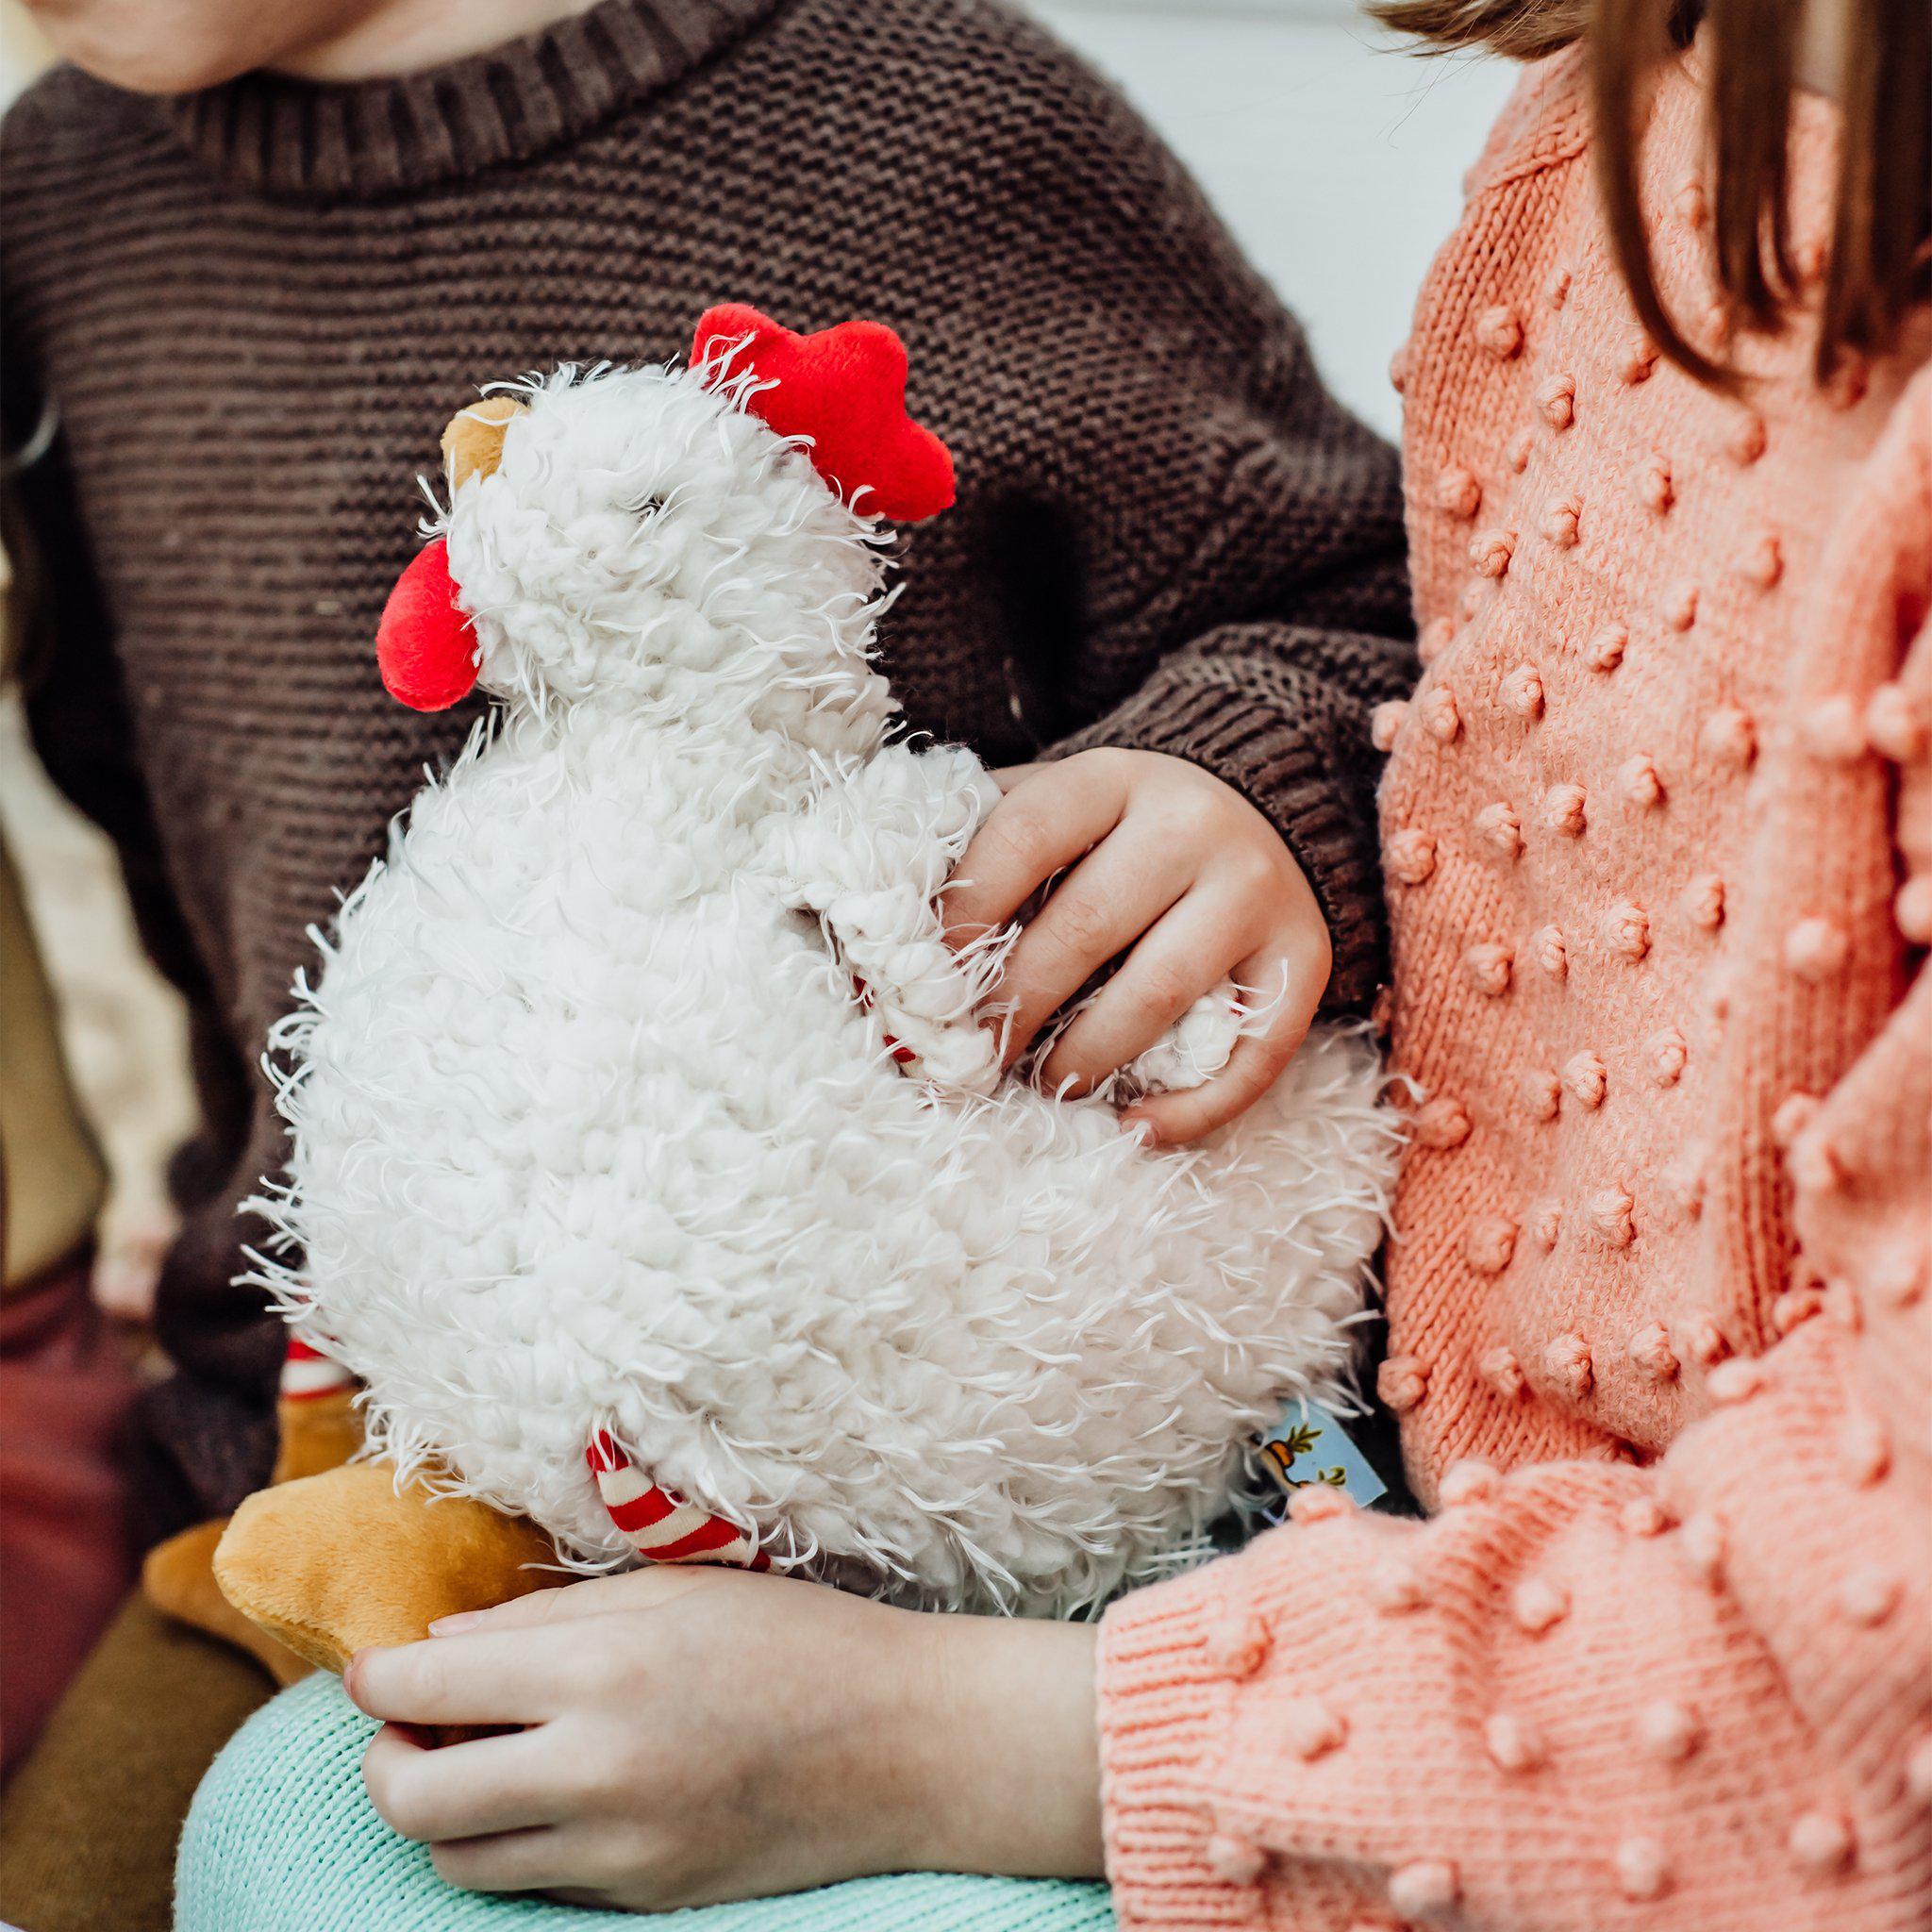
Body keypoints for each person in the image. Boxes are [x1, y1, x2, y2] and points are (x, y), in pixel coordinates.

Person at [179, 0, 1932, 1927]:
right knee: (299, 1822)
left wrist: (948, 1735)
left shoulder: (943, 120)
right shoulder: (1602, 143)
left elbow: (1866, 1678)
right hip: (1366, 1559)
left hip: (1481, 1695)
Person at [0, 0, 1410, 1924]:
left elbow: (1381, 606)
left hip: (973, 1514)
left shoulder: (932, 116)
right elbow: (179, 860)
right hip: (339, 1458)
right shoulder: (62, 209)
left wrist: (1244, 774)